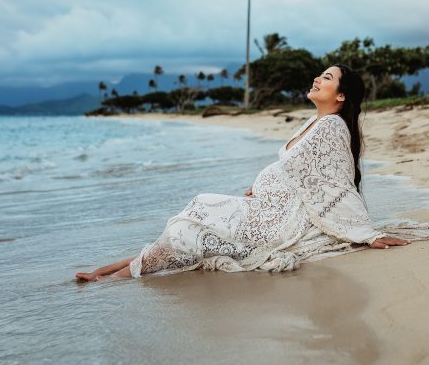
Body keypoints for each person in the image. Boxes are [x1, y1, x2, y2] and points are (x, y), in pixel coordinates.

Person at [75, 64, 409, 282]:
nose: (317, 79)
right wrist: (262, 188)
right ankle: (117, 270)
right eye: (319, 74)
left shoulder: (333, 127)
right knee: (195, 217)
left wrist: (365, 233)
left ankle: (114, 275)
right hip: (268, 207)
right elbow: (294, 172)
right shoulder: (313, 121)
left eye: (327, 78)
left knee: (195, 219)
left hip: (284, 221)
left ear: (340, 95)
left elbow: (334, 186)